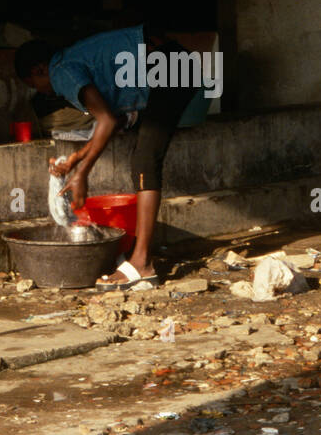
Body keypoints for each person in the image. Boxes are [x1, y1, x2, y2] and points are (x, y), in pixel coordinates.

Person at [15, 25, 197, 288]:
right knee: (145, 157)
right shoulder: (74, 61)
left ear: (39, 70)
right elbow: (114, 122)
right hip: (173, 63)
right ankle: (140, 257)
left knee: (146, 161)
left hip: (167, 66)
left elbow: (107, 121)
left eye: (35, 85)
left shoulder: (60, 71)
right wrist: (78, 157)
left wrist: (82, 174)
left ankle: (141, 263)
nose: (43, 92)